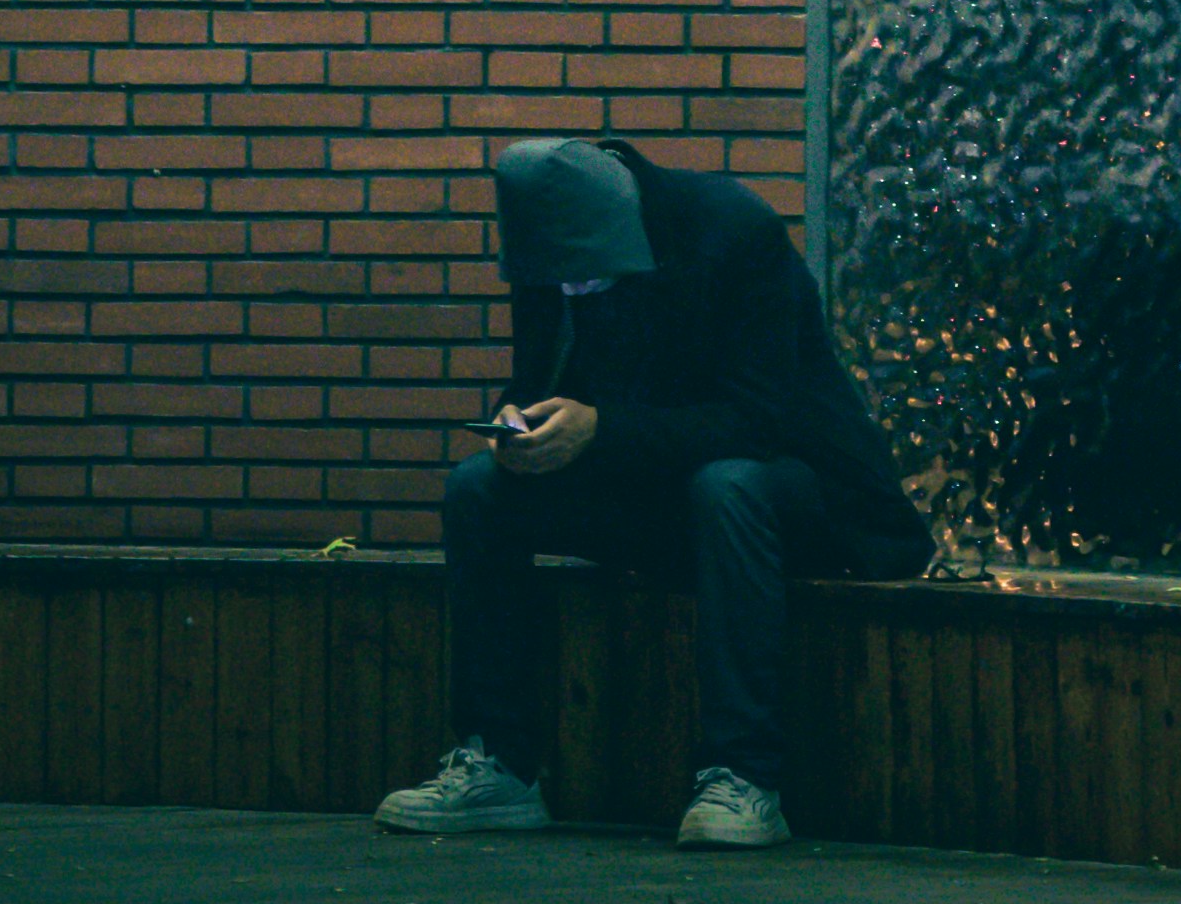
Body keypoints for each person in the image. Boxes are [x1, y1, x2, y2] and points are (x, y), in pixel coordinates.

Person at [377, 128, 932, 849]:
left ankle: (744, 775)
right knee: (480, 487)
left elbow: (761, 420)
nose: (576, 291)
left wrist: (600, 430)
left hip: (795, 491)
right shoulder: (552, 257)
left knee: (727, 484)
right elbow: (541, 379)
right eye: (563, 280)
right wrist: (523, 426)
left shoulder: (734, 232)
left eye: (594, 278)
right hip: (655, 489)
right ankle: (498, 765)